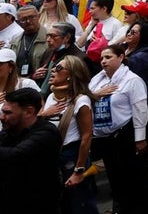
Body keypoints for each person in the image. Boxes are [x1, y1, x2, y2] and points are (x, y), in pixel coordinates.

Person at [89, 44, 148, 214]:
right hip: (104, 137)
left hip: (125, 134)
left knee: (134, 175)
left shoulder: (132, 80)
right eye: (102, 58)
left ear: (121, 57)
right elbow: (85, 97)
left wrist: (140, 138)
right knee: (114, 176)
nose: (103, 61)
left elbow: (140, 109)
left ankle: (140, 208)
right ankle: (121, 206)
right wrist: (97, 95)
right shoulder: (97, 80)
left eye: (108, 57)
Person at [40, 55, 97, 214]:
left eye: (59, 68)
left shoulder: (81, 101)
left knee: (79, 203)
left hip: (71, 157)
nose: (53, 71)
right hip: (53, 156)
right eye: (54, 67)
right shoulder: (51, 96)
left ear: (71, 75)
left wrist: (79, 170)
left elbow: (87, 136)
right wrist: (43, 115)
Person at [0, 87, 63, 210]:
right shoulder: (9, 132)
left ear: (29, 112)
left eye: (8, 113)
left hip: (38, 204)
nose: (2, 117)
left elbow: (15, 156)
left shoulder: (47, 133)